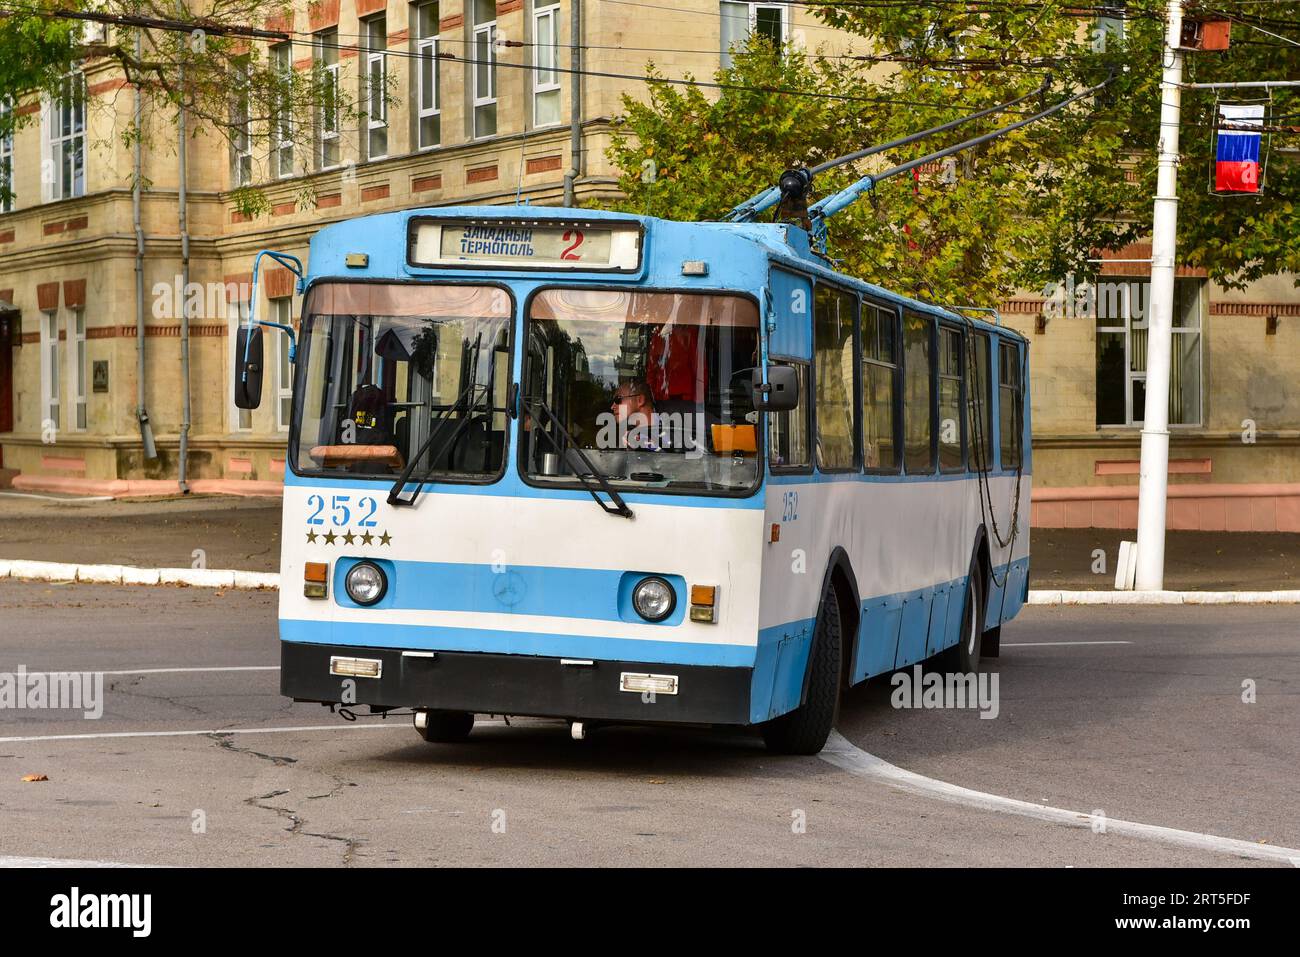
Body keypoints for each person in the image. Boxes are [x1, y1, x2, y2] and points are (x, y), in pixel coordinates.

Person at [610, 379, 661, 451]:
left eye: (618, 399)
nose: (612, 407)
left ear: (640, 400)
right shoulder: (628, 438)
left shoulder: (674, 429)